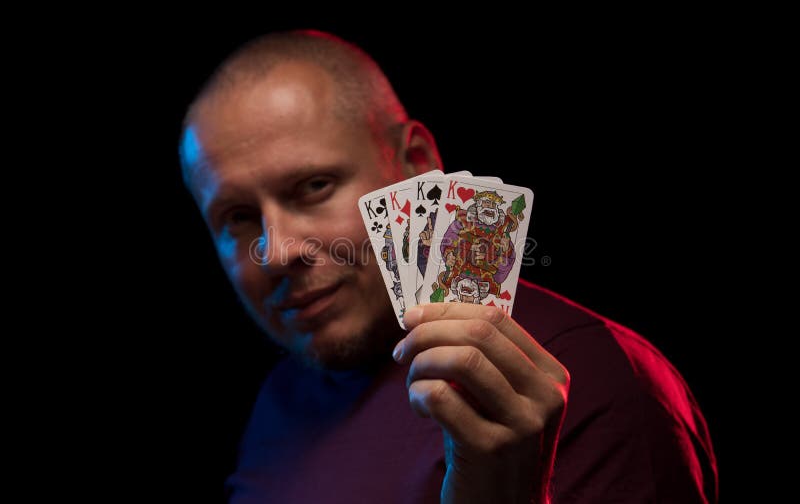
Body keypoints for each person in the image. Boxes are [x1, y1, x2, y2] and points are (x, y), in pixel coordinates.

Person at [180, 30, 717, 503]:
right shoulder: (277, 403)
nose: (276, 252)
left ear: (416, 165)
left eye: (314, 187)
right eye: (238, 217)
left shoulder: (586, 376)